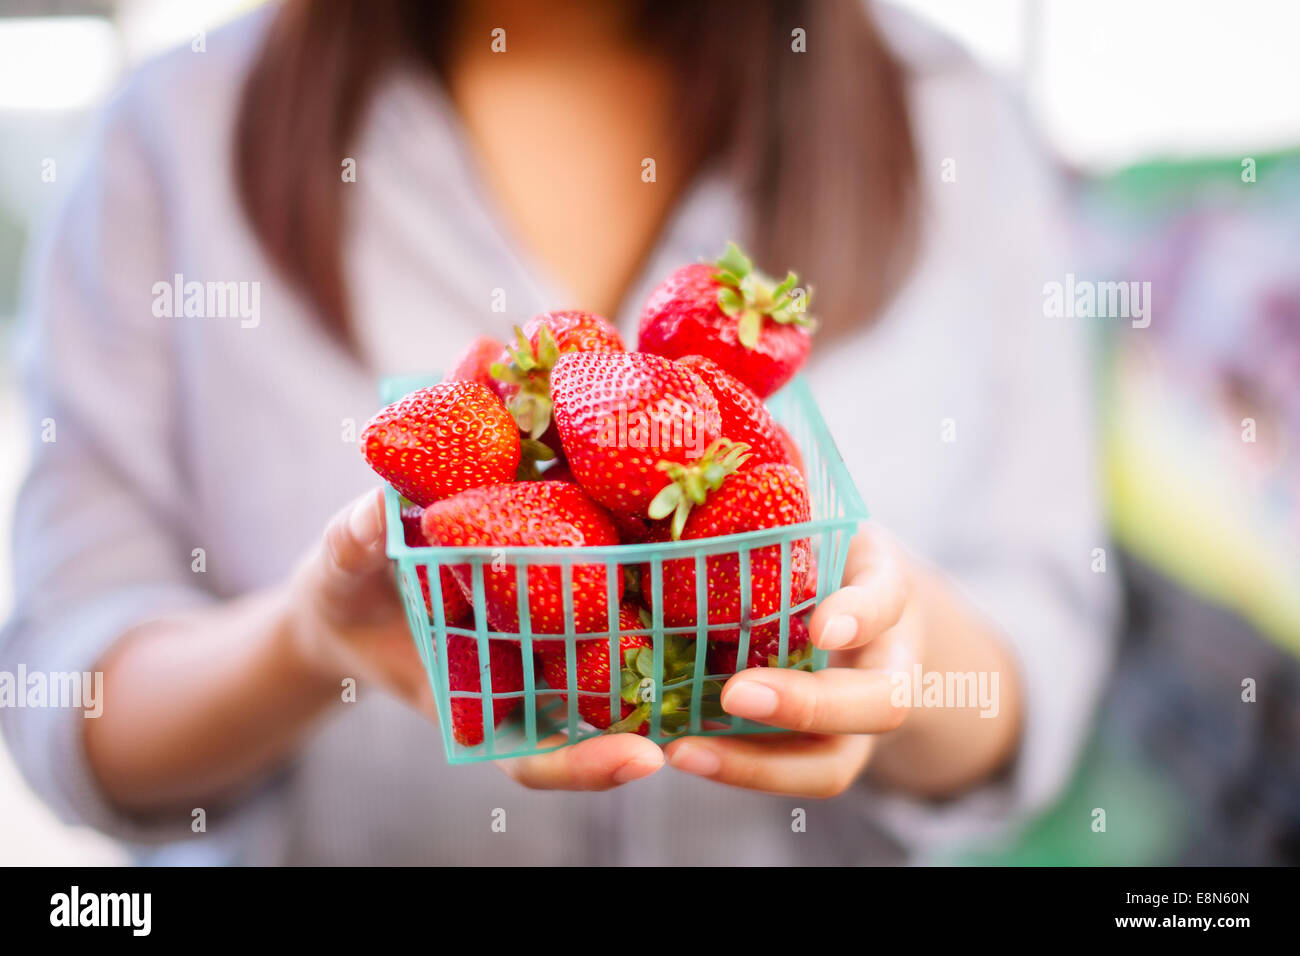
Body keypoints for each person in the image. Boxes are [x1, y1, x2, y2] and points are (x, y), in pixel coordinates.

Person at [0, 0, 1115, 864]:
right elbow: (64, 677)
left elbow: (1043, 639)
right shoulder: (169, 137)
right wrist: (303, 644)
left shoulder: (949, 115)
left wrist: (896, 648)